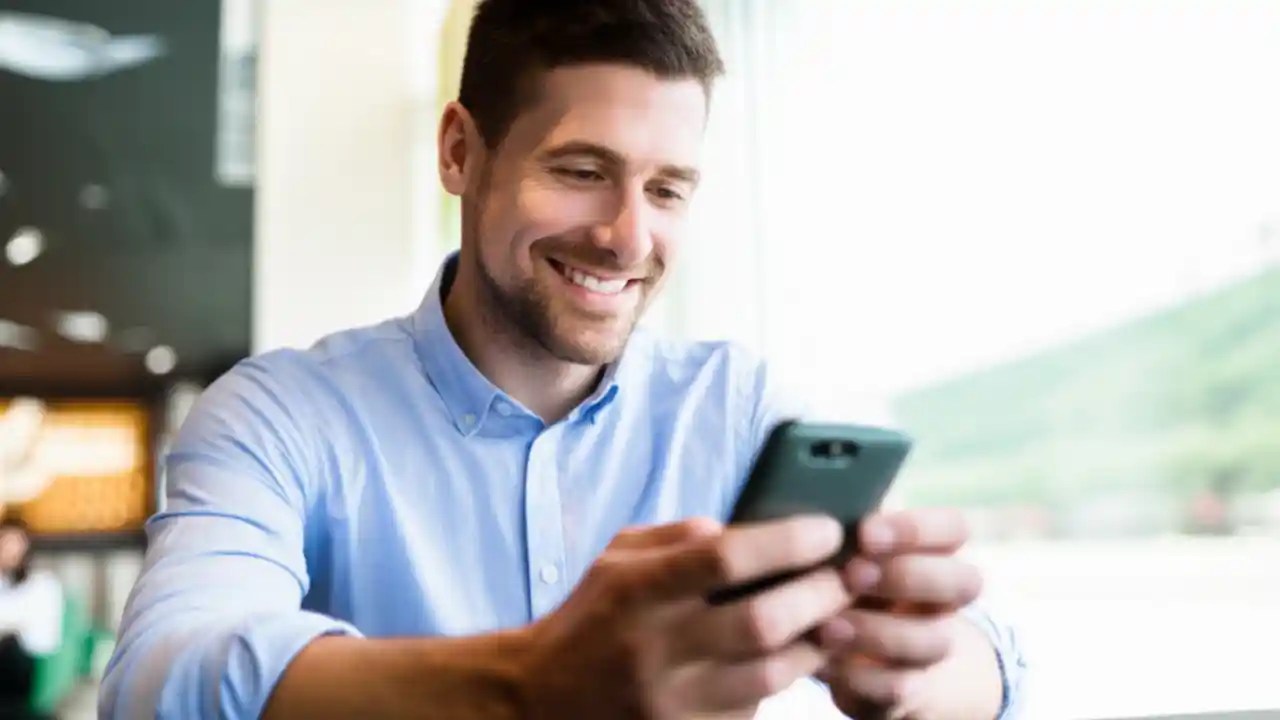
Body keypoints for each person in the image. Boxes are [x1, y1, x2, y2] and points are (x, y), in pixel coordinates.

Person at [101, 2, 1026, 718]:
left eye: (667, 189)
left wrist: (912, 674)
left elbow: (997, 664)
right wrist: (528, 686)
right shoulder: (281, 414)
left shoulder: (739, 407)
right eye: (582, 171)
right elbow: (159, 679)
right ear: (461, 151)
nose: (630, 238)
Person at [0, 516, 63, 719]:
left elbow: (43, 636)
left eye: (14, 544)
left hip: (24, 660)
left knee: (9, 646)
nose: (8, 551)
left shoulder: (43, 585)